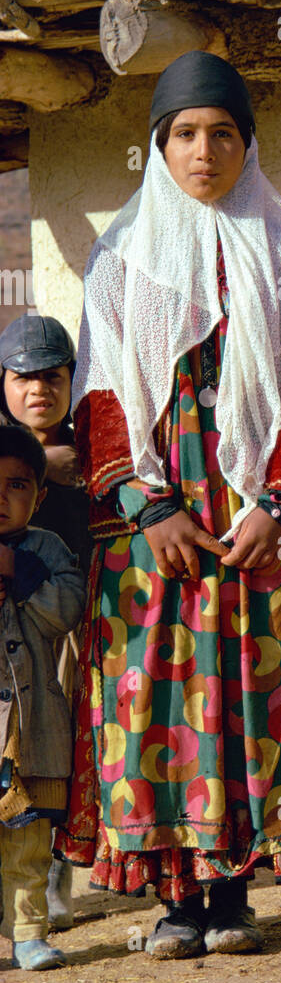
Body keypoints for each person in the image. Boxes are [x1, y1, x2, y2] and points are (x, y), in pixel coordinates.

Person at [55, 51, 281, 959]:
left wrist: (276, 505)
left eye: (223, 133)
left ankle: (234, 899)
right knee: (163, 696)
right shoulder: (120, 259)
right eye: (185, 133)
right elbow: (102, 393)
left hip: (256, 519)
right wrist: (147, 506)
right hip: (162, 513)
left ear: (247, 145)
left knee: (253, 695)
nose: (204, 150)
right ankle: (179, 899)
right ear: (158, 146)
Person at [0, 314, 92, 930]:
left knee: (70, 729)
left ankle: (61, 860)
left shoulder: (93, 441)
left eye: (53, 377)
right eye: (23, 377)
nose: (39, 391)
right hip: (16, 631)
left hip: (77, 600)